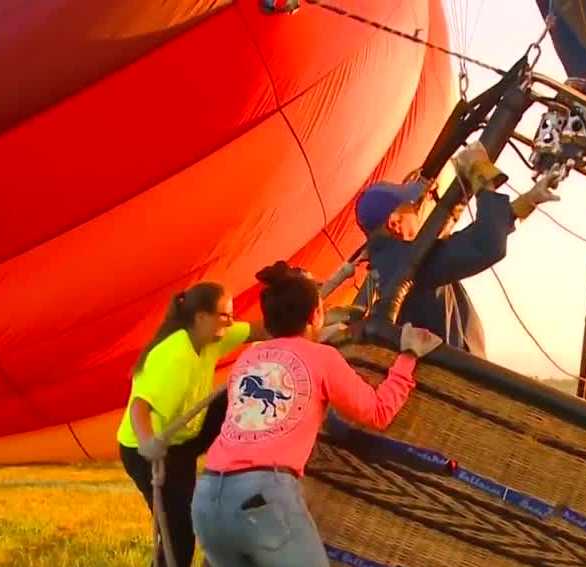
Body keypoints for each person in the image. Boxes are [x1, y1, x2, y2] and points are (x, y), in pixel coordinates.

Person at [191, 261, 441, 567]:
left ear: (268, 323)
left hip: (208, 497)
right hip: (264, 495)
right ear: (316, 315)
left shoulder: (249, 357)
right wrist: (408, 356)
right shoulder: (323, 358)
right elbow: (377, 412)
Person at [356, 142, 563, 356]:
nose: (420, 212)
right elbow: (486, 243)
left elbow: (464, 243)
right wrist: (480, 172)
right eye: (413, 209)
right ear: (394, 223)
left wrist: (527, 201)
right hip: (448, 376)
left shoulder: (391, 261)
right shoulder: (404, 263)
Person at [116, 282, 268, 567]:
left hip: (185, 441)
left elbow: (262, 329)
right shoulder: (174, 355)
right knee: (179, 536)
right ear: (201, 317)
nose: (231, 321)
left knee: (238, 389)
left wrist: (310, 313)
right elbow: (139, 407)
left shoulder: (213, 337)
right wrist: (150, 443)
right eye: (224, 315)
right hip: (148, 450)